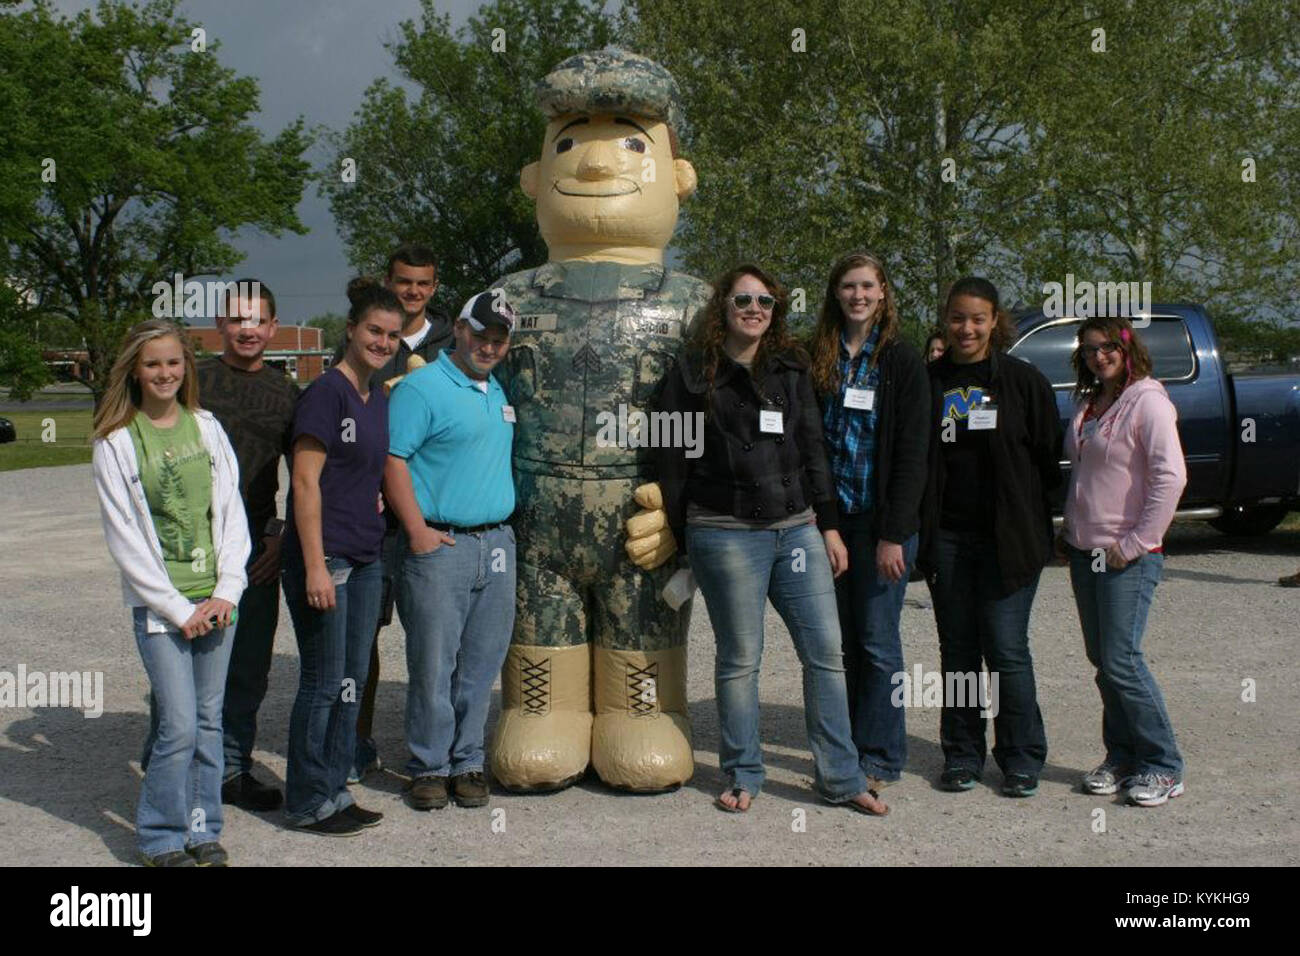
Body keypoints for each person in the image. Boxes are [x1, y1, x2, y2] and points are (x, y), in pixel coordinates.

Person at [656, 263, 890, 815]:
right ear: (723, 309)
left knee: (826, 653)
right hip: (724, 531)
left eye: (765, 301)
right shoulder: (692, 373)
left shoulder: (791, 367)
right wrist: (681, 533)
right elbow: (670, 458)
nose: (754, 310)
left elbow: (813, 450)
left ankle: (841, 775)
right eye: (743, 301)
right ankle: (742, 773)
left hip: (796, 529)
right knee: (740, 660)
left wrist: (828, 524)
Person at [92, 320, 250, 866]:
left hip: (217, 602)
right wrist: (179, 609)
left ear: (187, 369)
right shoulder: (116, 443)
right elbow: (125, 540)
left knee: (209, 722)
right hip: (164, 611)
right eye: (153, 363)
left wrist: (227, 591)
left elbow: (231, 512)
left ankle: (202, 828)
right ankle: (161, 836)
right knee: (179, 724)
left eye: (174, 362)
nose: (165, 372)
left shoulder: (206, 427)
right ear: (135, 370)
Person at [918, 277, 1061, 798]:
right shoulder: (927, 382)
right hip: (950, 541)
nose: (967, 328)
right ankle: (962, 754)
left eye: (978, 318)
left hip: (1009, 542)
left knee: (1005, 649)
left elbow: (1049, 461)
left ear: (994, 321)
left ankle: (1021, 756)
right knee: (957, 651)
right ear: (946, 321)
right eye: (957, 318)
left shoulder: (1024, 383)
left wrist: (1038, 529)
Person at [383, 292, 517, 810]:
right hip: (441, 542)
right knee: (434, 663)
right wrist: (414, 530)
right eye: (480, 333)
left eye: (498, 338)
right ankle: (429, 766)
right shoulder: (422, 388)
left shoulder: (497, 389)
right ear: (458, 328)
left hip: (497, 541)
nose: (488, 345)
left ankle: (468, 761)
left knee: (481, 664)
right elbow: (393, 460)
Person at [282, 278, 401, 836]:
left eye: (392, 335)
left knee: (353, 679)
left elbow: (366, 471)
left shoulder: (376, 396)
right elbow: (304, 484)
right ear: (351, 330)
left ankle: (335, 788)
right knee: (323, 682)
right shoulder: (325, 393)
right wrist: (312, 566)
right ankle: (307, 800)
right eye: (373, 331)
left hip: (367, 554)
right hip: (326, 557)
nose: (382, 341)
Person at [810, 252, 929, 807]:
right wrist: (826, 524)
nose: (858, 295)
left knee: (879, 642)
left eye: (867, 286)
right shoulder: (823, 357)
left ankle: (881, 755)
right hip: (836, 524)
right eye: (848, 286)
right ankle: (850, 748)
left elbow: (911, 453)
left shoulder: (900, 360)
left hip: (883, 526)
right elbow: (814, 445)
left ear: (883, 292)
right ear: (836, 294)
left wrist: (893, 533)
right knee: (842, 644)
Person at [1058, 317, 1187, 806]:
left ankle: (1163, 764)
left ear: (1128, 348)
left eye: (1108, 346)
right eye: (1089, 350)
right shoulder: (1091, 402)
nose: (1099, 356)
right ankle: (1123, 755)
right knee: (1103, 662)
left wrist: (1135, 543)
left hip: (1125, 556)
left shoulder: (1148, 400)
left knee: (1122, 660)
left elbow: (1170, 478)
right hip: (1085, 550)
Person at [340, 243, 455, 783]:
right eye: (405, 281)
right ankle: (356, 740)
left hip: (431, 511)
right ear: (389, 282)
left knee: (437, 638)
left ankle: (442, 747)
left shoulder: (452, 343)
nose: (413, 291)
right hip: (374, 517)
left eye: (423, 284)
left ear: (434, 288)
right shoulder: (369, 339)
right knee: (363, 636)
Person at [199, 281, 299, 812]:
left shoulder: (286, 391)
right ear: (220, 325)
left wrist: (282, 535)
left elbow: (307, 471)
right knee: (192, 660)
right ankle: (177, 763)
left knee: (248, 665)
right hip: (195, 545)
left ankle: (233, 769)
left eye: (257, 320)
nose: (247, 330)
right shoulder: (191, 380)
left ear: (272, 327)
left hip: (256, 547)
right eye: (237, 319)